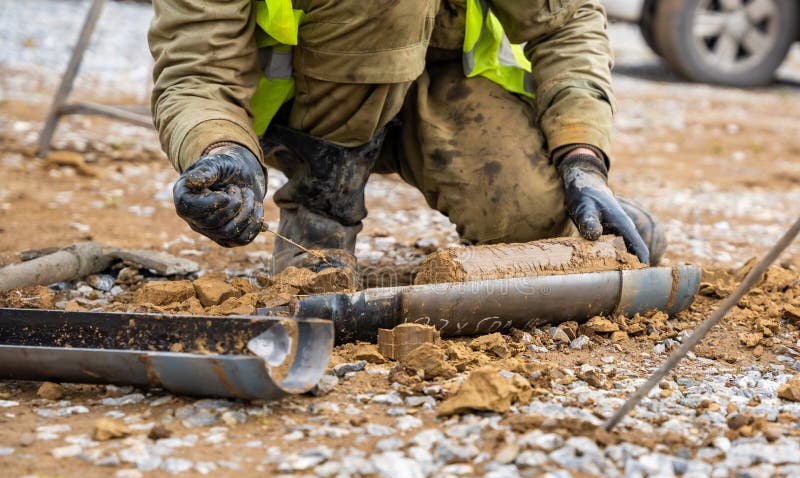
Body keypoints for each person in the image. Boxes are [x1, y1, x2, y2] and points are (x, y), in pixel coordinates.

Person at [149, 0, 666, 287]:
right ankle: (319, 218)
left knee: (529, 219)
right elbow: (196, 71)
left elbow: (567, 23)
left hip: (436, 95)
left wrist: (582, 159)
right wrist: (221, 148)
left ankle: (579, 219)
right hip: (309, 112)